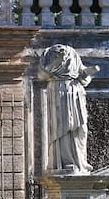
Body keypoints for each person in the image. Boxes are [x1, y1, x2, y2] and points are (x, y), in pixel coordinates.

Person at [40, 44, 97, 173]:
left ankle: (80, 162)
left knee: (81, 128)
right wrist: (55, 63)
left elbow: (83, 76)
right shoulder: (48, 52)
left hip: (76, 91)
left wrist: (88, 72)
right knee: (62, 126)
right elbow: (41, 75)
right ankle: (64, 162)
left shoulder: (72, 52)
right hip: (58, 90)